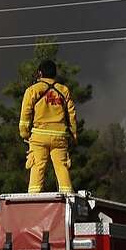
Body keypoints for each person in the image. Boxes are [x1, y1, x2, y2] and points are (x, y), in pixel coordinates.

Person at [18, 59, 78, 193]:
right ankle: (69, 198)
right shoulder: (64, 90)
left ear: (40, 73)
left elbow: (25, 113)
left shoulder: (32, 90)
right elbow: (72, 115)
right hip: (60, 137)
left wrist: (24, 133)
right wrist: (74, 135)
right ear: (55, 74)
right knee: (62, 167)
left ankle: (34, 200)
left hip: (39, 136)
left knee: (37, 167)